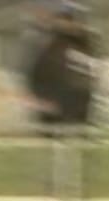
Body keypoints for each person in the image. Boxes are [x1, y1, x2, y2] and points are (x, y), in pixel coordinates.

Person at [22, 0, 101, 137]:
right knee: (52, 133)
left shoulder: (82, 42)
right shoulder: (45, 42)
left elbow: (93, 68)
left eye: (67, 20)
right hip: (52, 94)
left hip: (77, 95)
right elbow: (34, 71)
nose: (65, 24)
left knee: (77, 131)